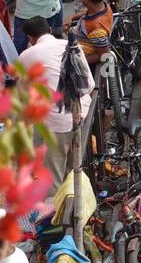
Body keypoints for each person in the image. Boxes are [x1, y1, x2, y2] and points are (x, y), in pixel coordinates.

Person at [18, 18, 95, 187]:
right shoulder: (72, 45)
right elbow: (90, 85)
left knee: (53, 177)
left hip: (57, 121)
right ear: (50, 30)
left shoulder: (26, 56)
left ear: (30, 38)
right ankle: (76, 207)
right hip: (82, 112)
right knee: (74, 170)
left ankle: (57, 211)